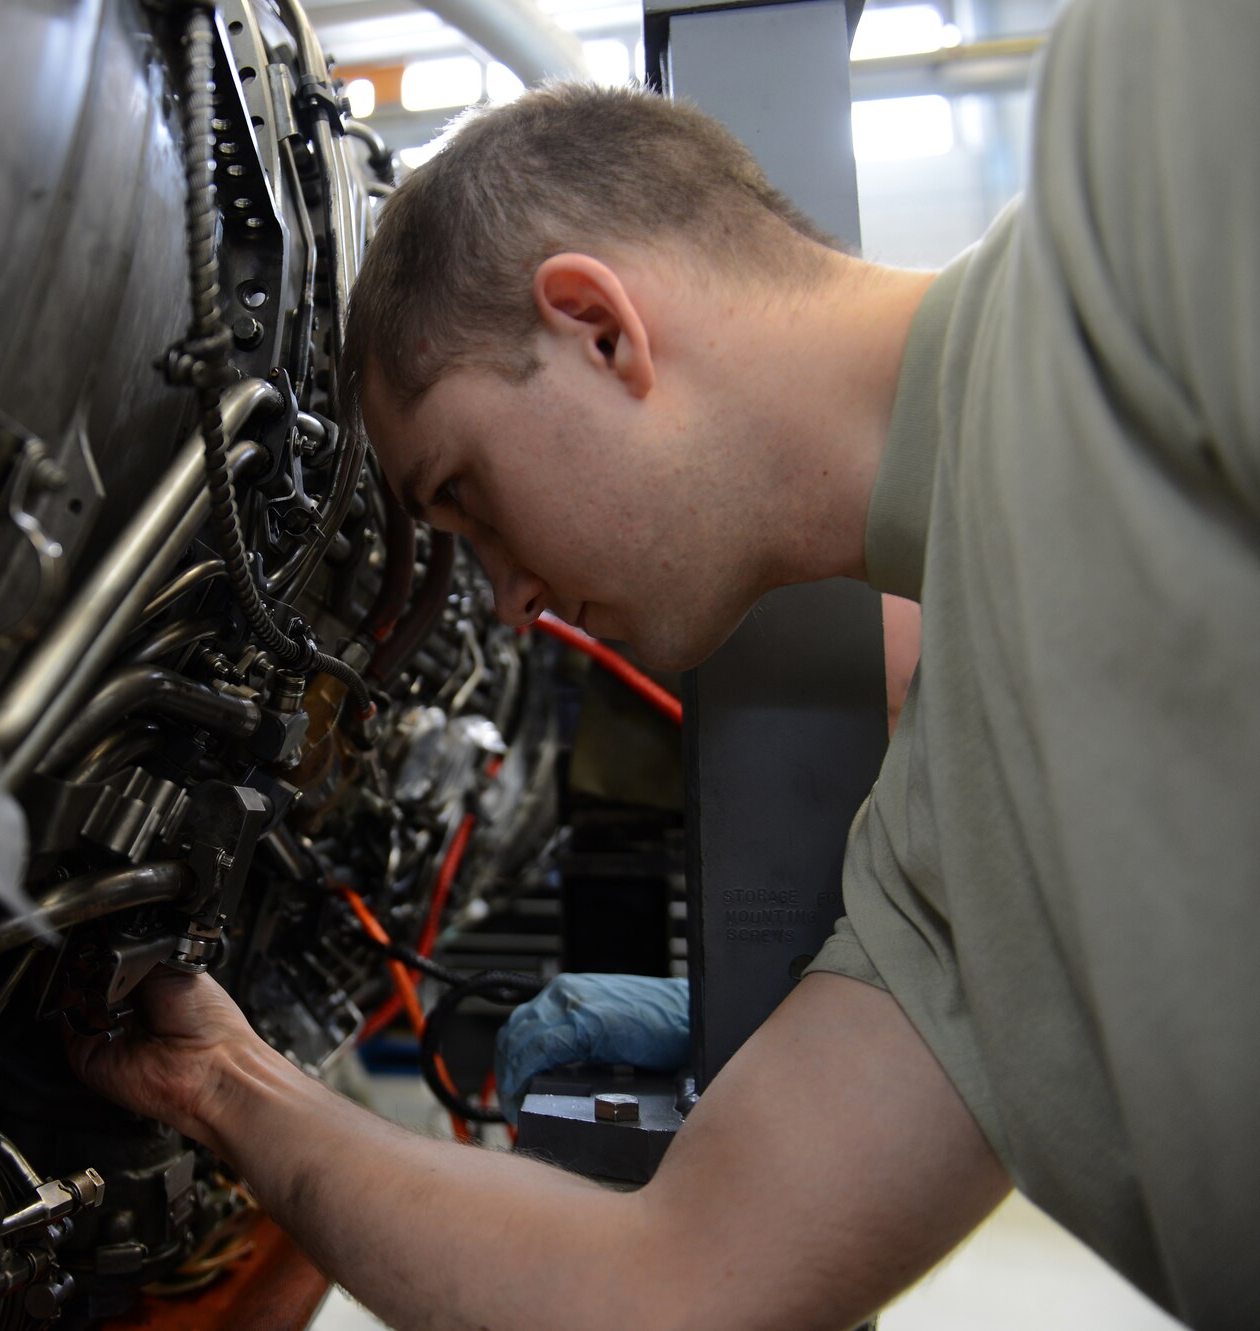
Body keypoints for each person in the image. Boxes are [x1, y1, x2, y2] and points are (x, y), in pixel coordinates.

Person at [70, 0, 1260, 1325]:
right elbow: (673, 1291)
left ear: (597, 327)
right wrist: (220, 1083)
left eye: (465, 492)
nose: (513, 604)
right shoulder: (949, 862)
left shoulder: (1155, 134)